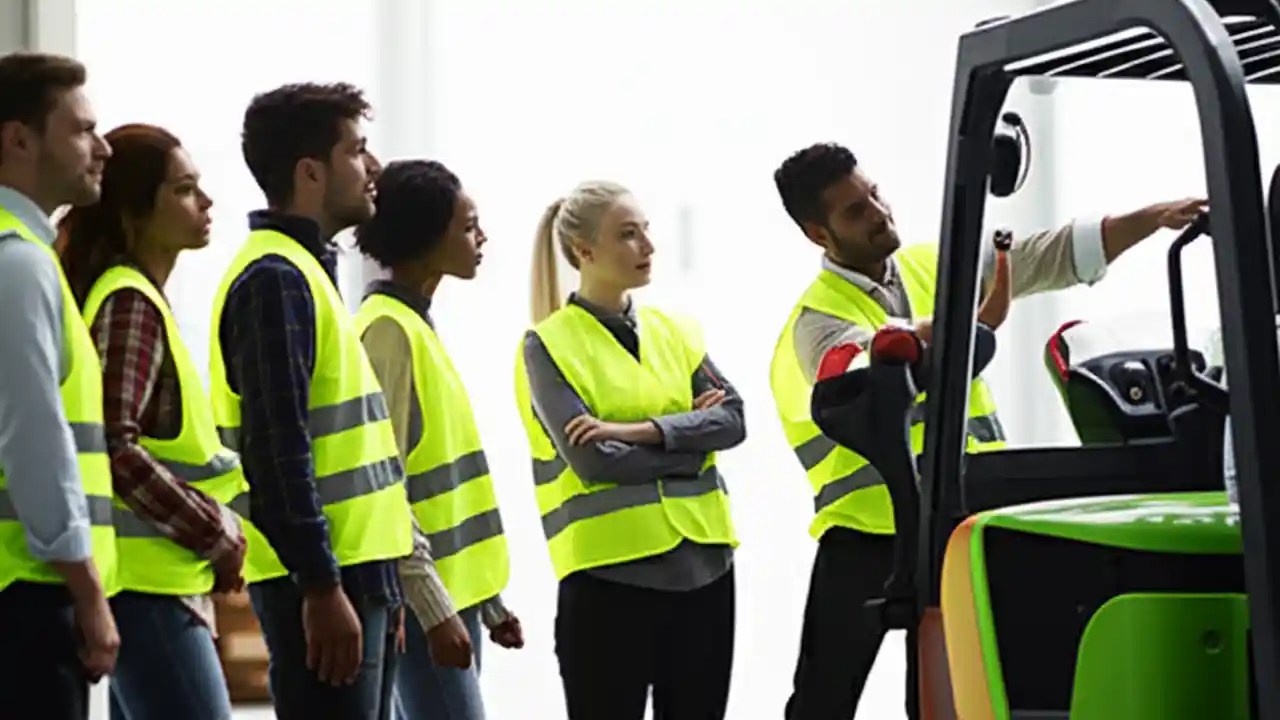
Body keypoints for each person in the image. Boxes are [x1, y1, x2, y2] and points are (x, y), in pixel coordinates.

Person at [768, 141, 1208, 719]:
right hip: (868, 537)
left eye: (874, 193)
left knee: (950, 694)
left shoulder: (935, 268)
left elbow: (1050, 255)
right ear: (818, 234)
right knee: (825, 699)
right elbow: (857, 362)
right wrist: (954, 325)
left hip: (956, 516)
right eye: (854, 211)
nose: (878, 212)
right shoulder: (818, 319)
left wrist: (1154, 219)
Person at [208, 82, 413, 720]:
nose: (373, 167)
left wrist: (384, 583)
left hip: (359, 574)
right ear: (310, 172)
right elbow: (277, 450)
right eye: (357, 150)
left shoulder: (307, 274)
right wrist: (322, 586)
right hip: (325, 581)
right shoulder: (275, 280)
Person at [513, 180, 746, 720]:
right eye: (628, 234)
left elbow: (733, 421)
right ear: (584, 251)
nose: (648, 246)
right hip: (609, 582)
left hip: (705, 569)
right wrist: (692, 444)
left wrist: (636, 431)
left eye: (645, 231)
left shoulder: (677, 330)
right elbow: (593, 462)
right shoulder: (547, 345)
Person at [58, 122, 248, 720]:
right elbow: (117, 448)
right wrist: (213, 530)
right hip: (148, 590)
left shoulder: (135, 298)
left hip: (155, 587)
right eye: (185, 189)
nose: (206, 201)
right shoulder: (130, 303)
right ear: (136, 212)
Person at [354, 159, 524, 719]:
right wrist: (435, 610)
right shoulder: (387, 331)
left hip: (454, 601)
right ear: (428, 236)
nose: (480, 238)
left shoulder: (415, 324)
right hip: (425, 607)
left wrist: (489, 605)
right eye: (467, 224)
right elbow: (387, 490)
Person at [0, 51, 119, 720]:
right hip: (25, 594)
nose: (101, 148)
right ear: (17, 139)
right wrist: (87, 592)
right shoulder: (18, 264)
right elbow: (35, 443)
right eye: (81, 130)